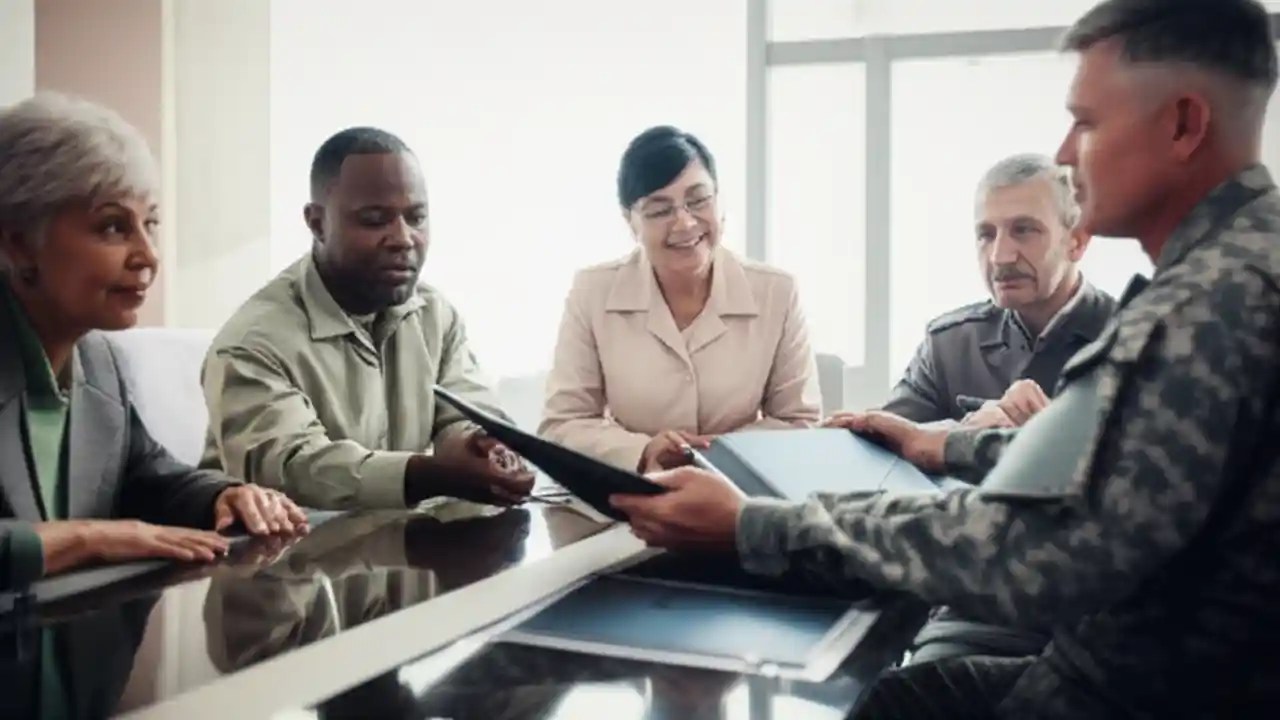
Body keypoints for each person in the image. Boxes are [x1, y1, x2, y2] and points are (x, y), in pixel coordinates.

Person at [608, 0, 1280, 717]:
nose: (1062, 153)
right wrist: (945, 446)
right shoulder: (1237, 268)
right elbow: (1110, 482)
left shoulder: (1204, 308)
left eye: (1087, 122)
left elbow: (1025, 547)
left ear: (1183, 124)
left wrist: (754, 525)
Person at [0, 93, 305, 595]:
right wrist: (84, 539)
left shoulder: (98, 359)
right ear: (16, 241)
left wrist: (223, 496)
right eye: (113, 226)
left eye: (152, 224)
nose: (148, 256)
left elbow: (147, 475)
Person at [200, 127, 534, 511]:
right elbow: (291, 468)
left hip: (388, 550)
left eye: (416, 217)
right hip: (269, 558)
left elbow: (464, 412)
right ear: (317, 223)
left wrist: (483, 447)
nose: (404, 238)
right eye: (376, 220)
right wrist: (428, 475)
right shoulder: (252, 343)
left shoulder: (434, 314)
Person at [538, 126, 821, 473]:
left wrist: (715, 456)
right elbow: (563, 424)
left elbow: (799, 421)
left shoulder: (776, 291)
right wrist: (642, 452)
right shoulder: (592, 292)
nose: (685, 222)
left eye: (698, 199)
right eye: (660, 210)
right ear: (630, 221)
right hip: (636, 495)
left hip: (742, 497)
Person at [879, 153, 1115, 428]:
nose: (999, 257)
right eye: (986, 235)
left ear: (1076, 242)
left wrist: (1052, 438)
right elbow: (881, 446)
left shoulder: (1138, 343)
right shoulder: (950, 345)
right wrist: (964, 432)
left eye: (1024, 230)